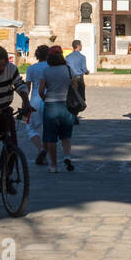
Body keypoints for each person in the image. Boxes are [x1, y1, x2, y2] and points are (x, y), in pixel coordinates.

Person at [38, 44, 76, 173]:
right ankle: (67, 156)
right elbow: (75, 86)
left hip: (51, 105)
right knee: (66, 135)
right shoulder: (68, 69)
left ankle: (54, 165)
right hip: (66, 105)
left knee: (51, 137)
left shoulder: (46, 71)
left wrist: (45, 98)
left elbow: (41, 90)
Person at [25, 44, 49, 165]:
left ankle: (40, 149)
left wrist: (25, 102)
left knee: (30, 127)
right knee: (48, 129)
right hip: (49, 100)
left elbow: (27, 87)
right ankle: (45, 151)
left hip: (35, 100)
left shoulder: (31, 68)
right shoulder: (51, 67)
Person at [65, 40, 89, 110]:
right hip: (79, 78)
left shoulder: (67, 57)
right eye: (81, 45)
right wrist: (87, 72)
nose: (81, 46)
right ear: (78, 46)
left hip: (71, 79)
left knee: (72, 96)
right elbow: (84, 69)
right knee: (81, 96)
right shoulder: (82, 57)